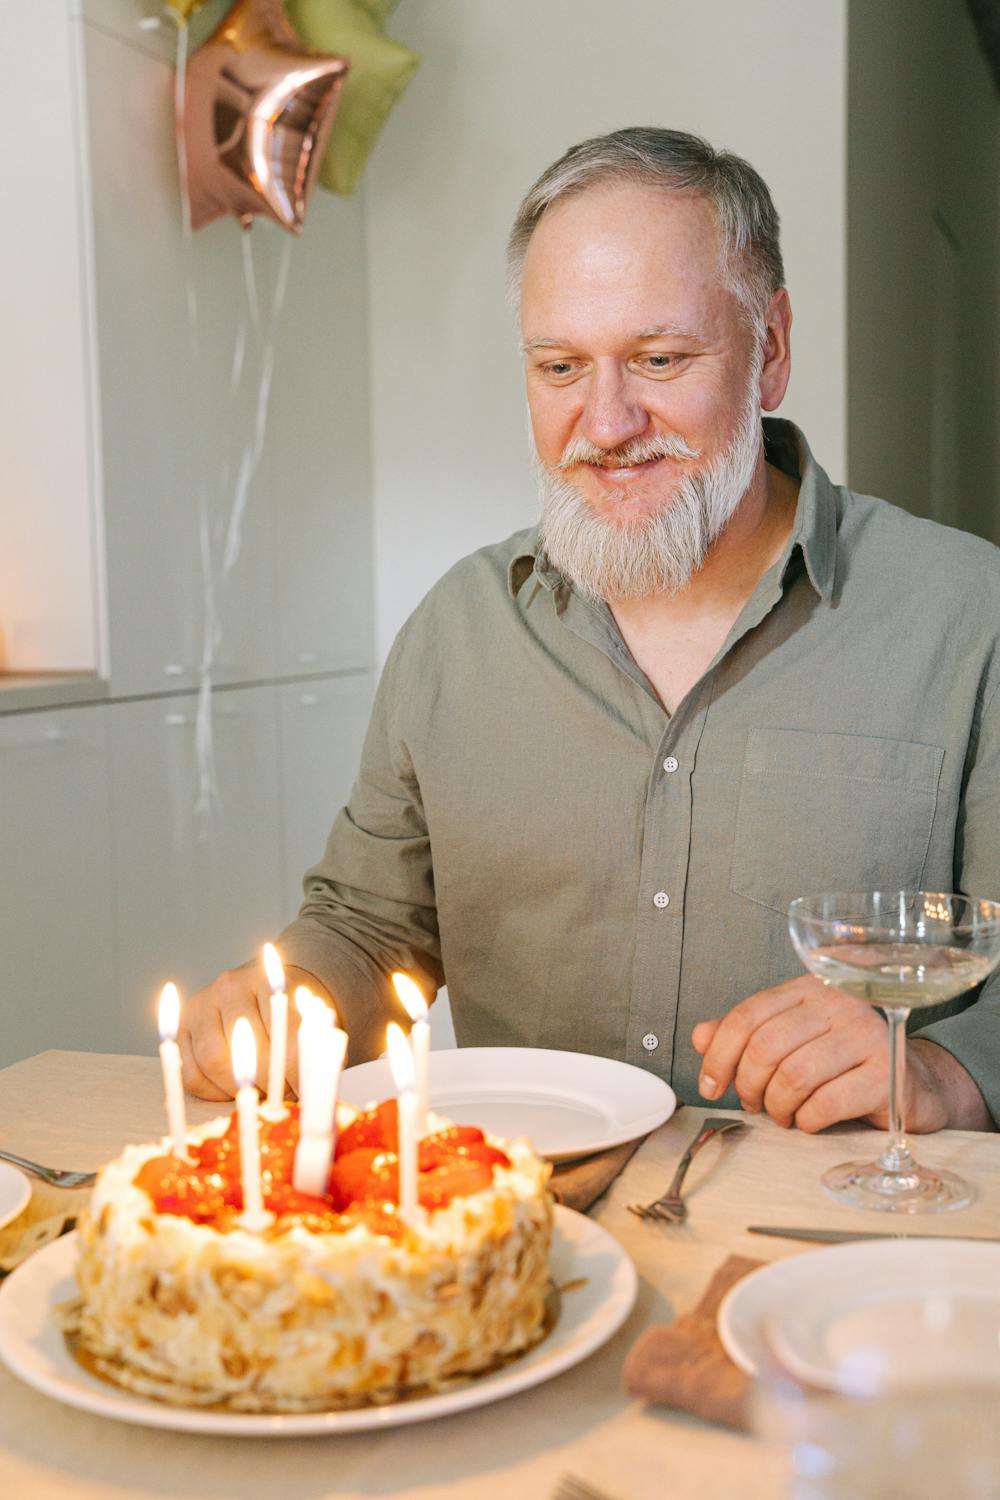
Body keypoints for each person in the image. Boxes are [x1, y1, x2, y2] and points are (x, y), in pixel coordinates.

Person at [180, 127, 1000, 1134]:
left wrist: (945, 1072)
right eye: (561, 367)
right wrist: (286, 1002)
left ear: (771, 350)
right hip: (520, 1237)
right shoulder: (458, 629)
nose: (606, 424)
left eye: (657, 358)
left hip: (837, 1250)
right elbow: (368, 924)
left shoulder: (969, 617)